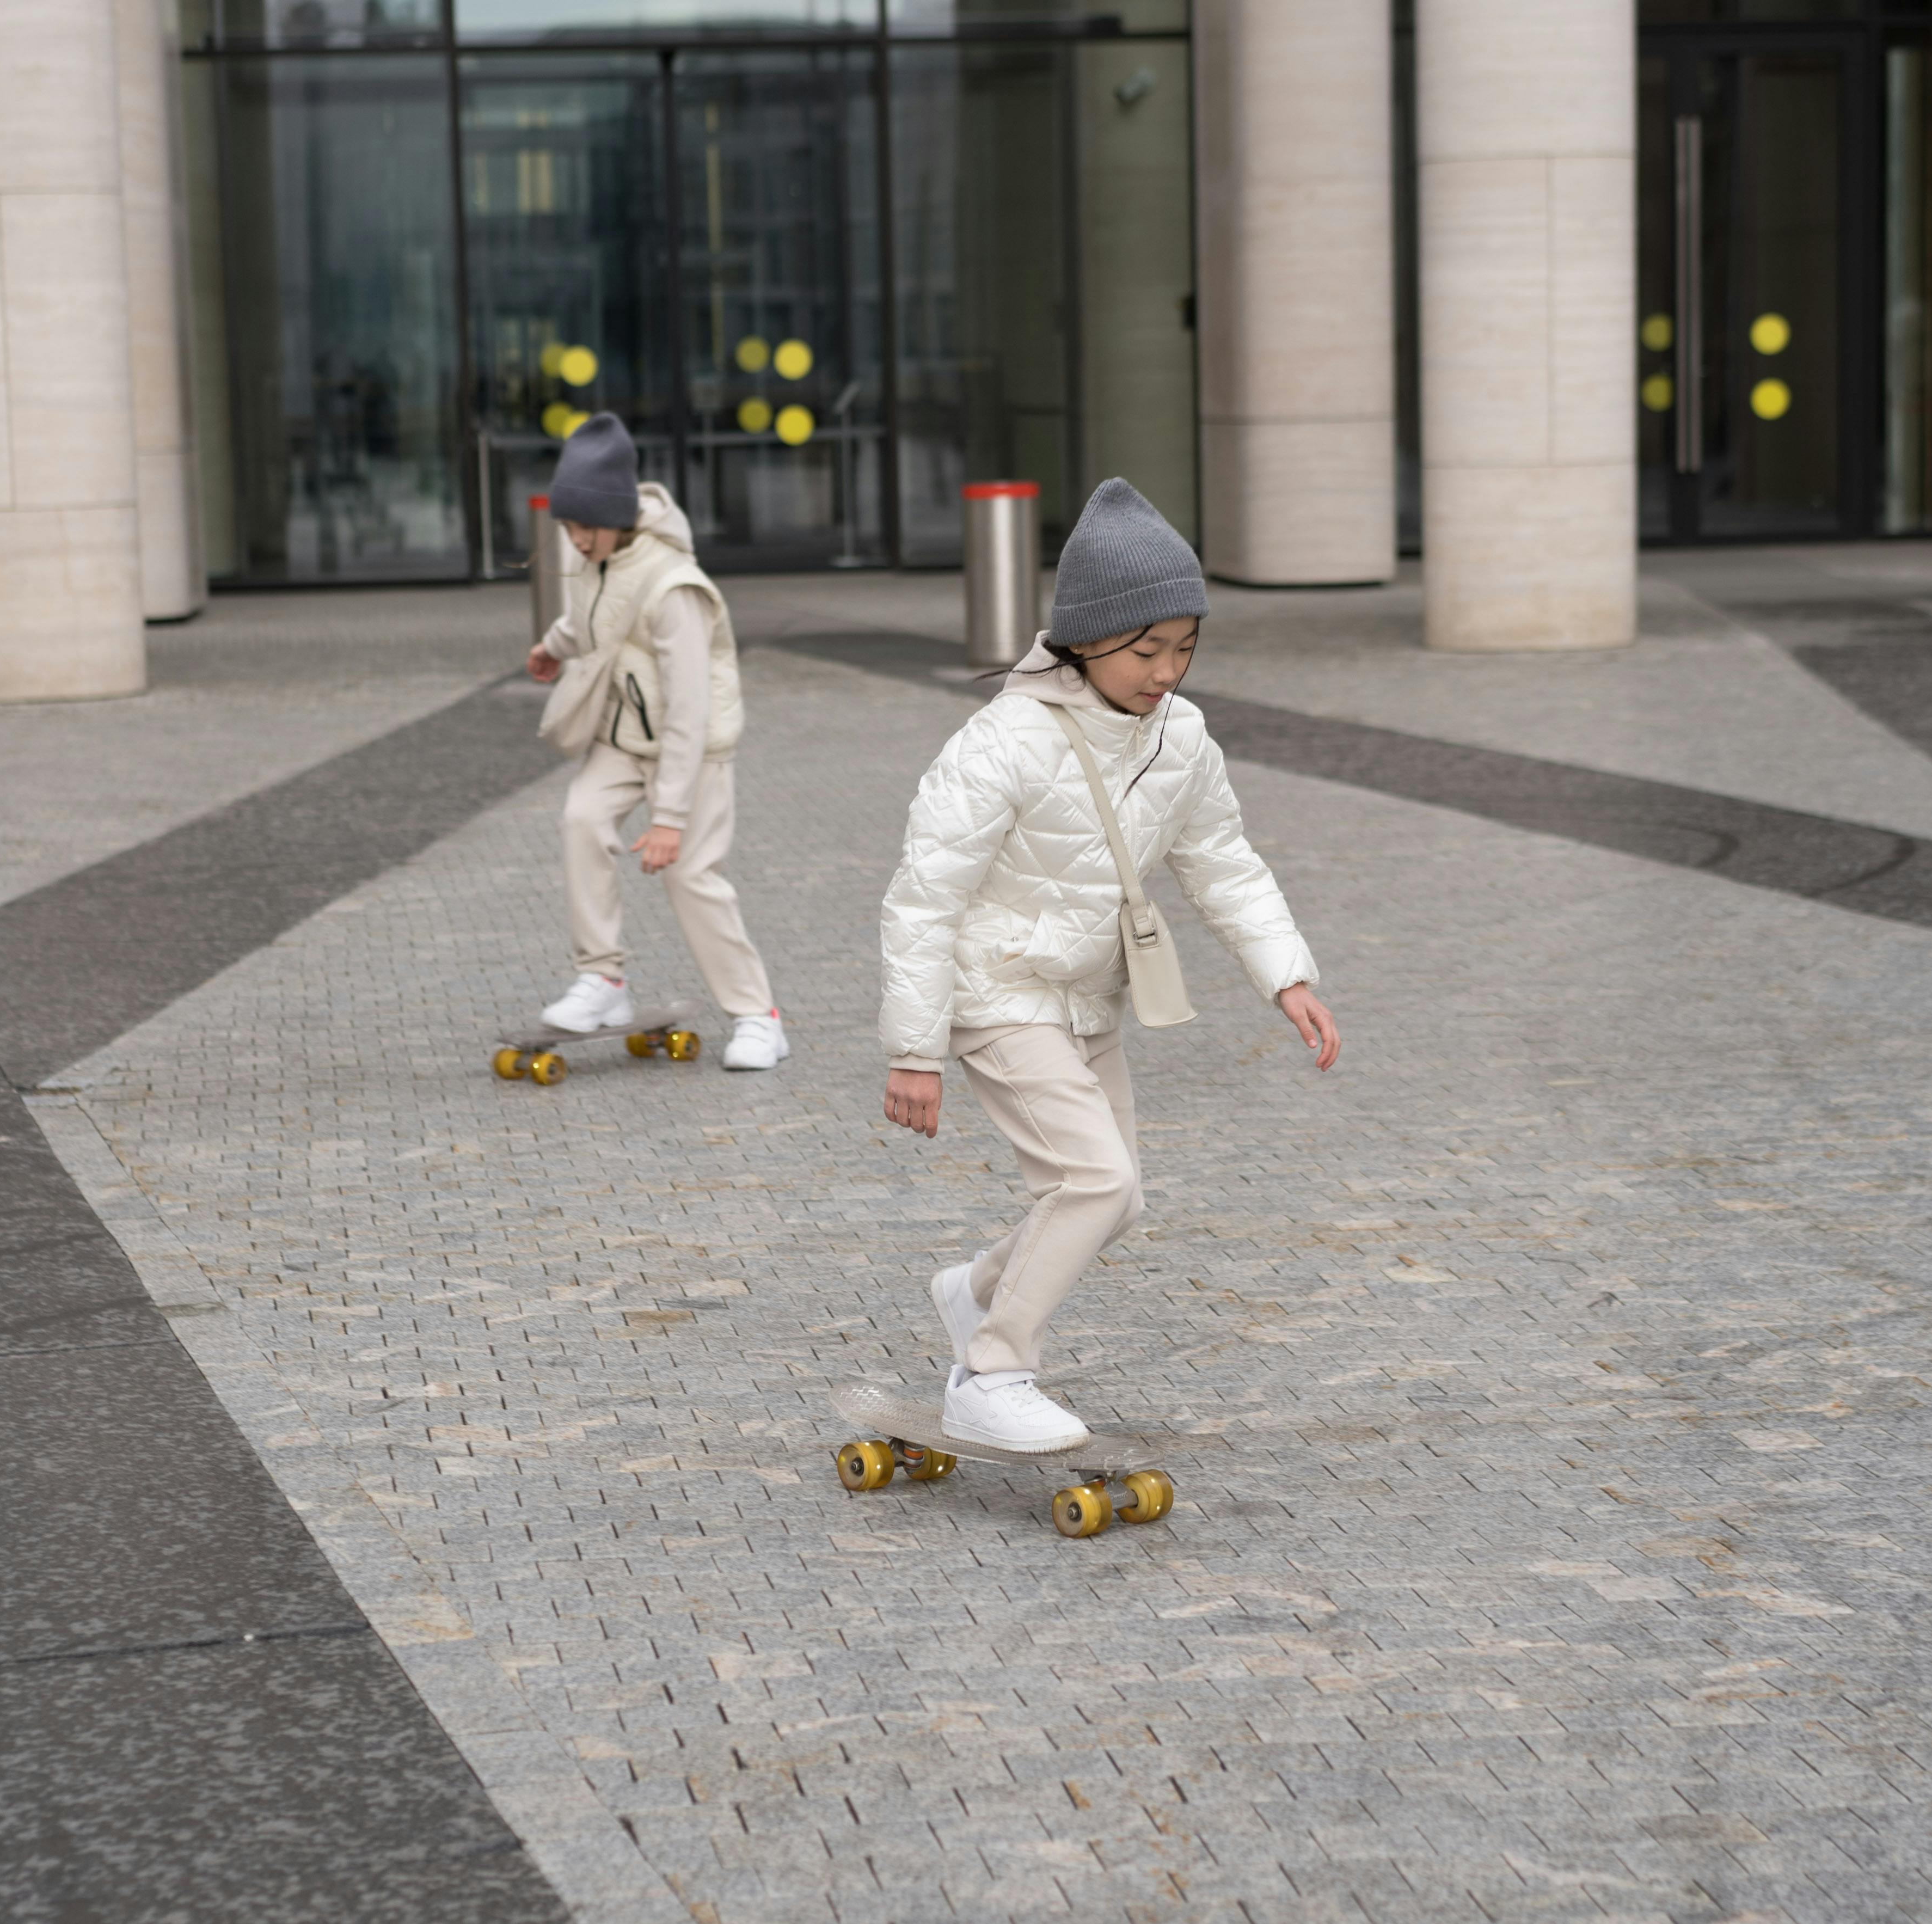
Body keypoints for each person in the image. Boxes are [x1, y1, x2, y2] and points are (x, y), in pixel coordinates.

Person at [877, 477, 1339, 1453]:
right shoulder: (1000, 742)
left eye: (1185, 645)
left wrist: (1285, 975)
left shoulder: (1184, 737)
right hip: (996, 991)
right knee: (1090, 1181)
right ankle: (992, 1372)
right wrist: (915, 1049)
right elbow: (925, 896)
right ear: (1083, 638)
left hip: (1088, 999)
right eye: (1145, 649)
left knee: (1116, 1197)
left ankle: (972, 1292)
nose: (1167, 669)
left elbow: (1222, 863)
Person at [524, 413, 787, 1070]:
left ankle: (759, 1018)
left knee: (692, 879)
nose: (578, 540)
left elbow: (689, 714)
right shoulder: (598, 557)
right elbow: (591, 617)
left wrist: (668, 817)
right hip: (622, 738)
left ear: (620, 516)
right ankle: (604, 981)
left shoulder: (676, 588)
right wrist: (553, 647)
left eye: (588, 526)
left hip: (690, 752)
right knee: (581, 818)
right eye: (568, 527)